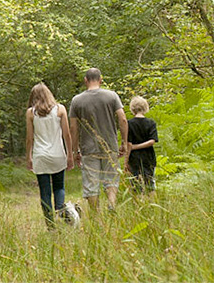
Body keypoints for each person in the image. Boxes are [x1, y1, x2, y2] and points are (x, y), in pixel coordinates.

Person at [69, 67, 128, 211]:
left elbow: (73, 128)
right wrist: (124, 143)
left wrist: (75, 150)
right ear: (101, 80)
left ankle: (96, 216)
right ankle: (112, 204)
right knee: (111, 178)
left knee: (91, 183)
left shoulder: (77, 100)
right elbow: (123, 119)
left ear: (85, 80)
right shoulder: (112, 96)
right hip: (110, 146)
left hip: (88, 148)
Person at [25, 83, 74, 228]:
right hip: (58, 154)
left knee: (44, 191)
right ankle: (62, 213)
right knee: (59, 187)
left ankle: (50, 225)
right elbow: (67, 135)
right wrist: (70, 155)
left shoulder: (30, 113)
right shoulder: (60, 109)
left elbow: (29, 138)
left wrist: (28, 157)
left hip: (40, 156)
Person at [126, 96, 158, 195]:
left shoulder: (129, 124)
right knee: (150, 183)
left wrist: (126, 161)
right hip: (149, 157)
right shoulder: (151, 123)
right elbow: (152, 141)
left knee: (135, 184)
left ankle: (139, 202)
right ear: (145, 107)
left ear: (132, 108)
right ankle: (152, 202)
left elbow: (129, 144)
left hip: (134, 158)